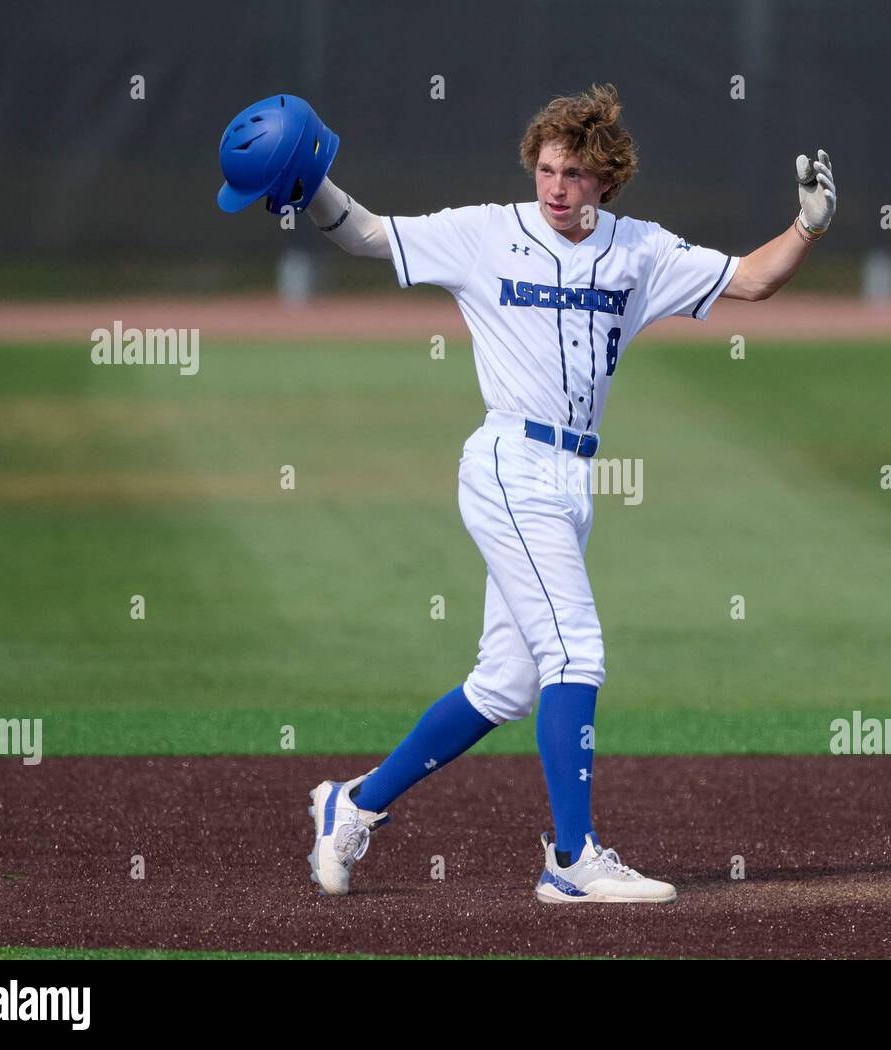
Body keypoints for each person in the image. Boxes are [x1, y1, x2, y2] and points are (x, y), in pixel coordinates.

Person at [298, 83, 836, 901]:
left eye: (575, 173)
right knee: (575, 652)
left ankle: (355, 802)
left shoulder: (639, 250)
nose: (556, 186)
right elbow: (368, 234)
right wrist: (313, 189)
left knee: (504, 684)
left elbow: (753, 281)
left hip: (572, 477)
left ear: (606, 181)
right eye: (547, 169)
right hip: (510, 464)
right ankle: (574, 860)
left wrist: (809, 226)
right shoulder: (487, 233)